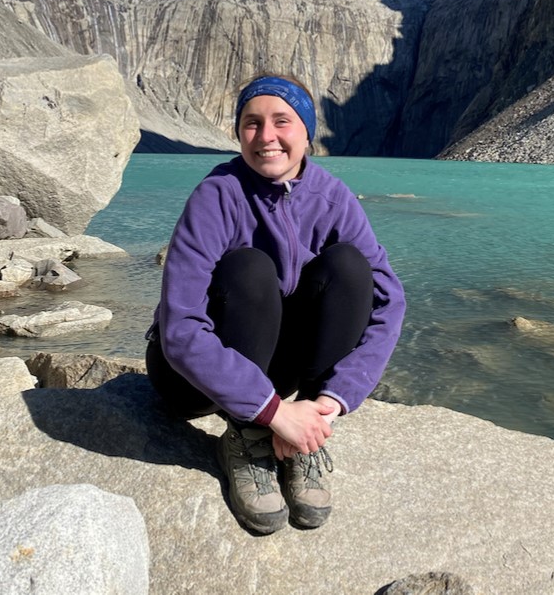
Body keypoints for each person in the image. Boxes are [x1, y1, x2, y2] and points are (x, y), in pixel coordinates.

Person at [146, 73, 405, 534]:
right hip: (189, 379)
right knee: (249, 268)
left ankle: (302, 440)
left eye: (281, 121)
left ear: (307, 132)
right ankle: (247, 438)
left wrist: (329, 402)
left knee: (348, 267)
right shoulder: (218, 195)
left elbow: (390, 302)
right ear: (238, 132)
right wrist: (272, 412)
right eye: (252, 123)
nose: (266, 137)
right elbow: (180, 326)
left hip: (276, 371)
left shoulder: (333, 199)